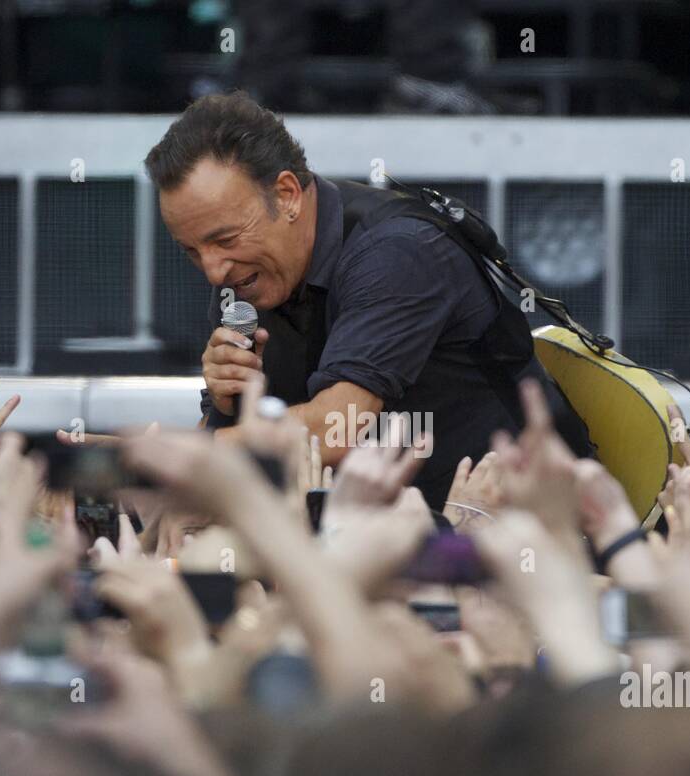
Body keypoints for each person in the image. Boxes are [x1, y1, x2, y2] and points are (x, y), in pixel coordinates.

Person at [142, 91, 590, 509]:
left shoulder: (397, 252)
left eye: (224, 239)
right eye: (192, 250)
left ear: (287, 195)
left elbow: (336, 429)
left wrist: (168, 459)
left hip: (531, 535)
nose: (213, 269)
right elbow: (245, 451)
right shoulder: (245, 273)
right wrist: (225, 406)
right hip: (382, 537)